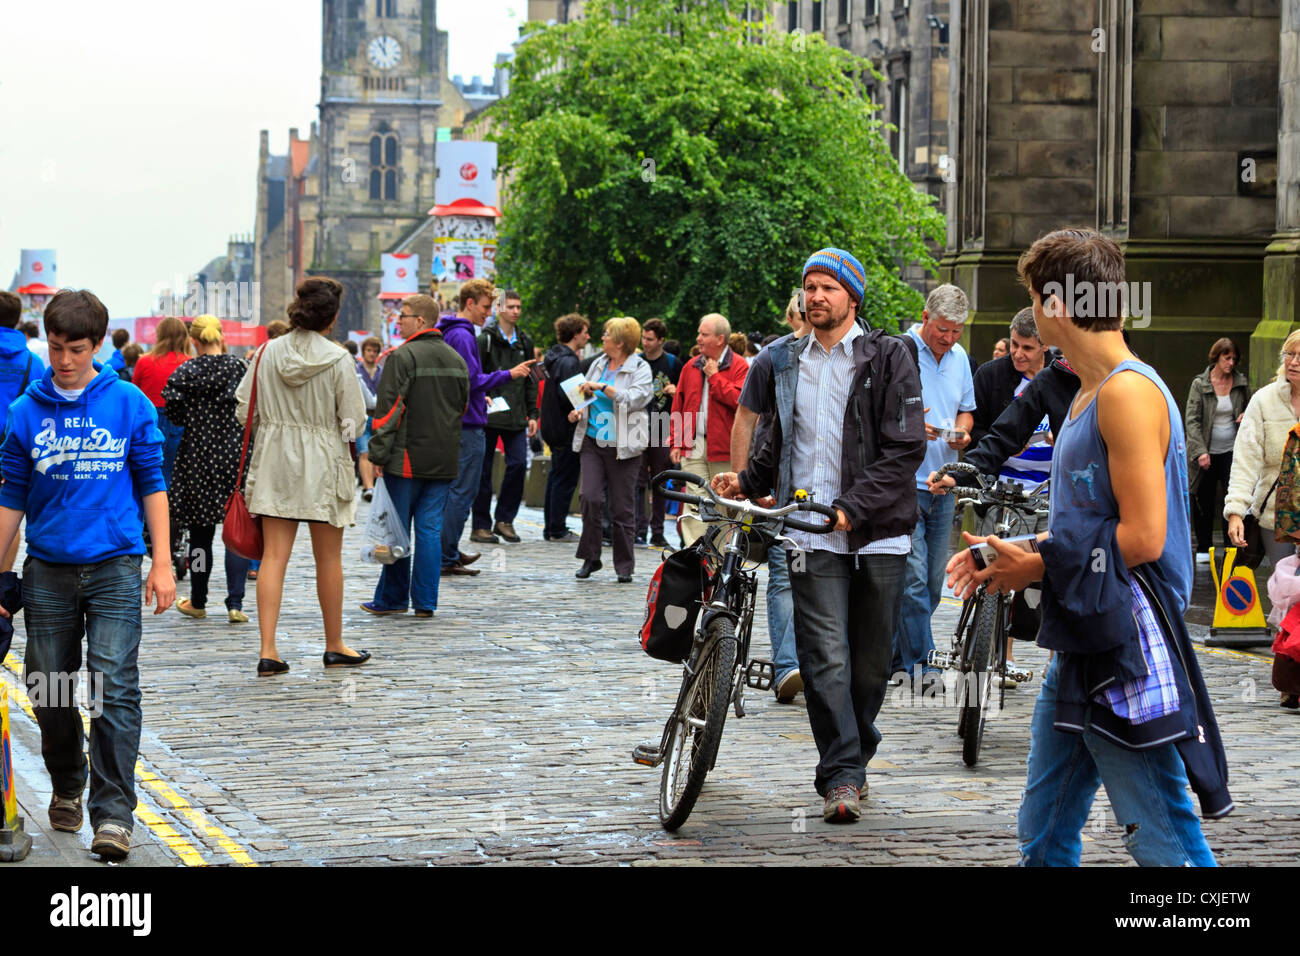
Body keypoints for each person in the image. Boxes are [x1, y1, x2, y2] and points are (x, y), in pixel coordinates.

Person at [951, 228, 1230, 865]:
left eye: (1032, 296)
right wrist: (1011, 552)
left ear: (1055, 303)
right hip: (1088, 629)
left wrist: (1038, 563)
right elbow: (1089, 527)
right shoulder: (1084, 391)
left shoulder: (1126, 393)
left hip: (1124, 642)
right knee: (1044, 827)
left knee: (1163, 838)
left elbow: (1142, 537)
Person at [713, 247, 925, 824]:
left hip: (878, 532)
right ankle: (841, 775)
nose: (815, 297)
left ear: (852, 297)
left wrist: (852, 509)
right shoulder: (782, 359)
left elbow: (906, 449)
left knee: (870, 666)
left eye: (828, 287)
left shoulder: (890, 358)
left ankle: (853, 750)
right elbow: (776, 439)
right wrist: (749, 479)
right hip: (808, 533)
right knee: (825, 657)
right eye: (809, 287)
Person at [0, 288, 175, 861]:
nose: (64, 360)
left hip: (116, 566)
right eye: (55, 348)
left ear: (97, 345)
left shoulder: (128, 403)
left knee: (112, 687)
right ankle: (69, 780)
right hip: (48, 569)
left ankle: (114, 814)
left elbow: (152, 482)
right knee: (48, 688)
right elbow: (12, 501)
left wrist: (165, 563)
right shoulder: (26, 412)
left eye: (76, 349)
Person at [235, 277, 370, 676]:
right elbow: (354, 421)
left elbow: (245, 412)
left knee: (274, 556)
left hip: (276, 458)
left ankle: (268, 649)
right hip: (324, 462)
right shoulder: (339, 358)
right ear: (332, 317)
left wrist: (276, 428)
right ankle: (334, 644)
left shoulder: (265, 353)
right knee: (328, 558)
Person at [360, 294, 469, 617]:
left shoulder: (402, 357)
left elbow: (387, 412)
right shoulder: (456, 359)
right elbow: (461, 408)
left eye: (404, 316)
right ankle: (425, 602)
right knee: (430, 531)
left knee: (396, 531)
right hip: (444, 459)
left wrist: (377, 454)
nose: (398, 320)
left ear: (420, 321)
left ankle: (393, 599)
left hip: (405, 460)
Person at [891, 284, 975, 686]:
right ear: (925, 318)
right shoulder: (899, 350)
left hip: (944, 481)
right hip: (905, 481)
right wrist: (908, 426)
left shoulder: (960, 358)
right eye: (943, 329)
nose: (949, 338)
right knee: (913, 580)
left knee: (932, 582)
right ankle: (923, 666)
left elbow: (966, 412)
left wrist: (961, 432)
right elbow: (877, 413)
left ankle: (894, 655)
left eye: (957, 331)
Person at [732, 293, 809, 703]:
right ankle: (786, 667)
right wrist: (744, 484)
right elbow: (747, 417)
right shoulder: (774, 358)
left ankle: (817, 664)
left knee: (815, 578)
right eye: (802, 312)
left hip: (828, 500)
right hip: (780, 486)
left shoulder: (861, 353)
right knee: (783, 575)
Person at [436, 279, 537, 576]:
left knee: (461, 490)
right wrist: (509, 374)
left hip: (468, 420)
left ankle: (449, 550)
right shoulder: (467, 336)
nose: (488, 313)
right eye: (485, 306)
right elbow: (471, 380)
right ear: (469, 303)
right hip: (468, 426)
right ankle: (446, 556)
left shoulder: (456, 333)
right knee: (461, 492)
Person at [161, 315, 252, 624]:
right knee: (236, 531)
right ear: (221, 337)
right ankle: (235, 602)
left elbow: (174, 413)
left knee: (201, 536)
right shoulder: (239, 368)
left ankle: (198, 600)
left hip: (198, 457)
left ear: (194, 341)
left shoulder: (186, 371)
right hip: (234, 457)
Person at [569, 316, 653, 583]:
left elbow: (635, 399)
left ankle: (624, 565)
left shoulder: (640, 368)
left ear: (620, 341)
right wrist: (577, 409)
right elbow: (585, 394)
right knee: (590, 497)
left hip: (624, 446)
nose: (601, 337)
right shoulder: (598, 363)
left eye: (606, 334)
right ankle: (591, 557)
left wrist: (603, 387)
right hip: (593, 440)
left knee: (622, 508)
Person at [1225, 329, 1300, 593]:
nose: (1293, 362)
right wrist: (1235, 511)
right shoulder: (1264, 400)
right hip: (1274, 519)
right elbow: (1245, 460)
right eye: (1289, 354)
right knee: (1286, 592)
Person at [668, 313, 749, 542]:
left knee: (722, 504)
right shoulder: (690, 367)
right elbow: (679, 406)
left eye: (704, 334)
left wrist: (715, 378)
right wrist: (676, 441)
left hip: (724, 448)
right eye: (699, 333)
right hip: (694, 445)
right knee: (694, 503)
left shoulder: (740, 366)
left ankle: (719, 563)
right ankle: (697, 562)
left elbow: (741, 403)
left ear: (720, 339)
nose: (699, 338)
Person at [471, 290, 539, 545]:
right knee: (483, 471)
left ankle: (504, 520)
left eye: (519, 307)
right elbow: (476, 375)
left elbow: (531, 379)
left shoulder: (525, 341)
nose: (516, 311)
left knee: (519, 464)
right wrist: (483, 396)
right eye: (511, 307)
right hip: (488, 414)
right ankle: (480, 525)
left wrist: (533, 413)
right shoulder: (485, 341)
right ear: (499, 309)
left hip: (516, 415)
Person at [1186, 338, 1249, 562]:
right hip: (1206, 451)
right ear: (1217, 357)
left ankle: (1230, 547)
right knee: (1204, 498)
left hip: (1232, 450)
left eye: (1234, 359)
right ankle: (1204, 547)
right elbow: (1192, 420)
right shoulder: (1200, 384)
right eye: (1226, 358)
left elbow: (1250, 409)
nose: (1231, 363)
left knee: (1230, 498)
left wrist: (1245, 416)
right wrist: (1200, 451)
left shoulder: (1240, 383)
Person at [0, 292, 44, 574]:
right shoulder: (32, 362)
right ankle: (2, 580)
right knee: (9, 511)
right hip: (13, 447)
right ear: (18, 319)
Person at [540, 313, 590, 542]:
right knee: (565, 478)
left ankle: (550, 526)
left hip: (551, 424)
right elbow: (571, 395)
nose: (587, 336)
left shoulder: (553, 357)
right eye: (585, 332)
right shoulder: (569, 361)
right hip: (565, 426)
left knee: (556, 475)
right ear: (576, 333)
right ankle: (557, 528)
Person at [634, 318, 682, 548]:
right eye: (643, 338)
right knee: (637, 480)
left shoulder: (673, 364)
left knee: (659, 482)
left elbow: (684, 398)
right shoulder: (636, 362)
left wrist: (676, 392)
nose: (645, 343)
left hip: (663, 428)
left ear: (661, 340)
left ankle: (658, 531)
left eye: (650, 339)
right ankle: (638, 529)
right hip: (637, 427)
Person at [131, 317, 193, 488]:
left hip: (148, 420)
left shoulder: (144, 361)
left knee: (148, 472)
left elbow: (135, 394)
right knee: (174, 474)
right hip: (178, 421)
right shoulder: (188, 363)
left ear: (159, 335)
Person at [355, 336, 384, 503]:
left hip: (379, 416)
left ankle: (371, 485)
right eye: (369, 350)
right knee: (364, 451)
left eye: (374, 351)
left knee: (376, 453)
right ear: (363, 352)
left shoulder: (382, 371)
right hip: (361, 415)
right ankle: (368, 487)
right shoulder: (357, 371)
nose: (371, 354)